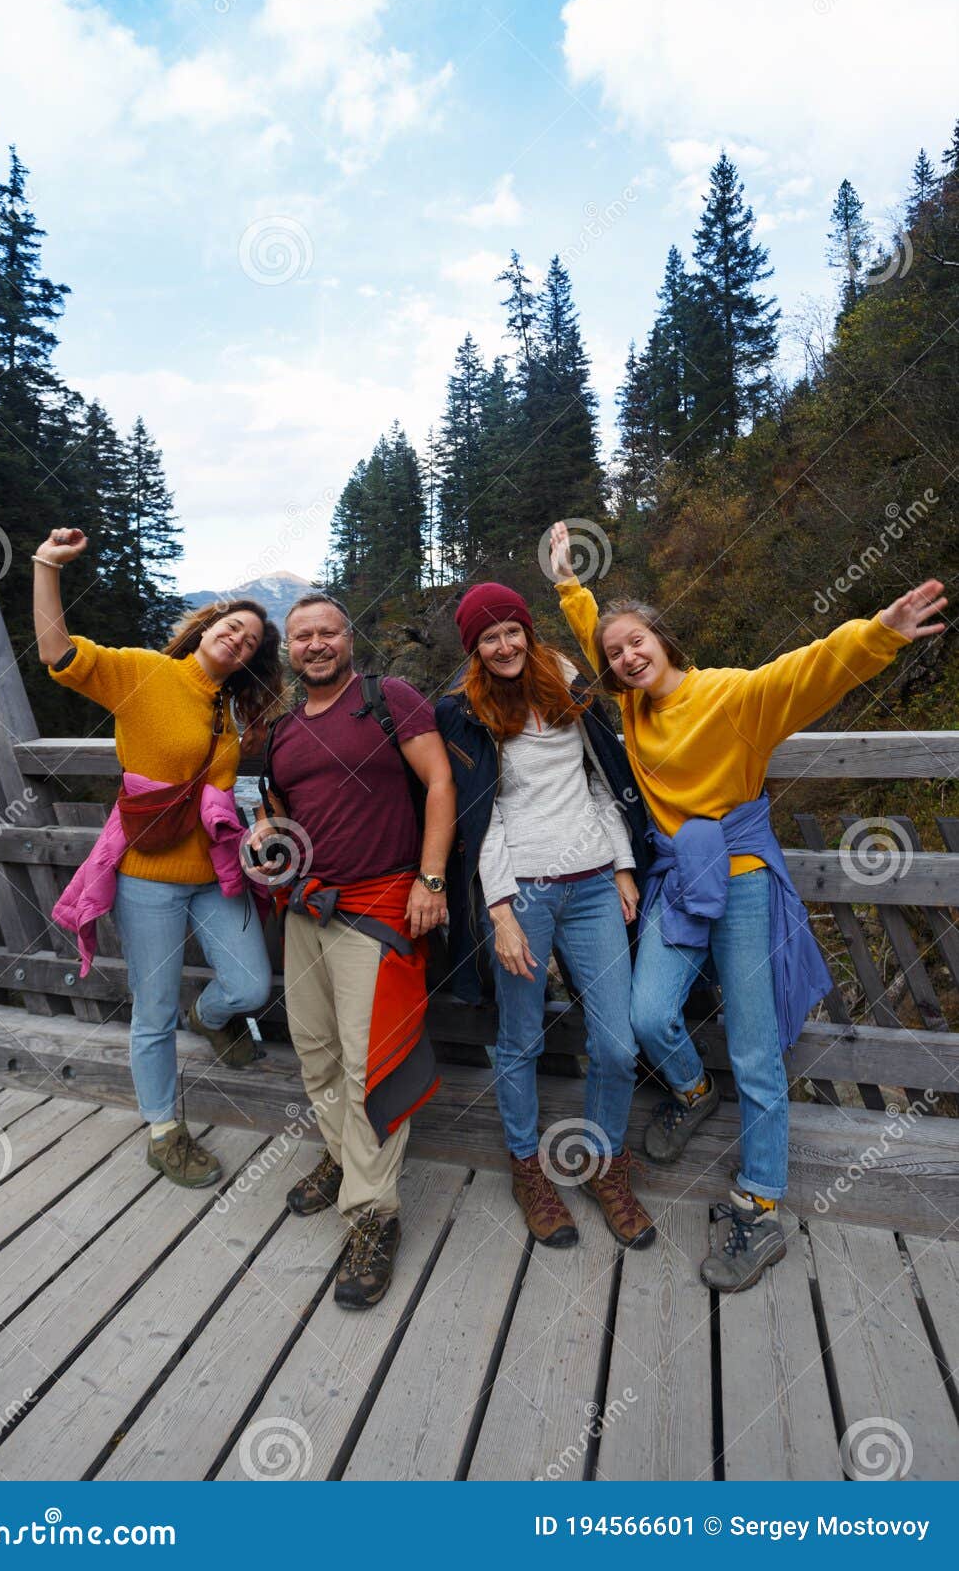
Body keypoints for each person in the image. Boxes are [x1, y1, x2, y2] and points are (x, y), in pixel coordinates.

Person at [549, 520, 946, 1291]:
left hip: (738, 879)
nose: (627, 656)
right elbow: (594, 627)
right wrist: (569, 585)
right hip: (676, 880)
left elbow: (806, 672)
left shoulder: (729, 694)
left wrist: (880, 634)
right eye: (617, 653)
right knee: (644, 1015)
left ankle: (758, 1204)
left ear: (665, 641)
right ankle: (693, 1091)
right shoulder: (631, 709)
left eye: (640, 644)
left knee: (757, 1050)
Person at [33, 525, 282, 1189]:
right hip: (148, 877)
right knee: (152, 1009)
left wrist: (255, 826)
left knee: (252, 986)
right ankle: (162, 1130)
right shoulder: (144, 673)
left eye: (252, 641)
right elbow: (57, 655)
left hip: (215, 873)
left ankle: (216, 1015)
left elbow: (226, 789)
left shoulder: (230, 713)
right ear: (205, 629)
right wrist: (45, 566)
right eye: (232, 628)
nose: (239, 640)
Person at [250, 594, 455, 1309]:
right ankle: (341, 1160)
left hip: (379, 904)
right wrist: (263, 831)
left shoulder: (386, 699)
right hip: (306, 907)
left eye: (327, 632)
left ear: (348, 638)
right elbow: (276, 806)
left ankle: (373, 1216)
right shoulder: (279, 733)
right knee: (315, 1050)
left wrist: (430, 878)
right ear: (289, 649)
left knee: (374, 1060)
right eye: (301, 635)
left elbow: (438, 782)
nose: (315, 644)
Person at [437, 582, 656, 1251]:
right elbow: (483, 817)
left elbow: (597, 780)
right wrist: (499, 912)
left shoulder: (567, 684)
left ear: (527, 632)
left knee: (617, 1044)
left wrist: (621, 864)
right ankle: (527, 1169)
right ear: (473, 648)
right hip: (524, 891)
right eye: (487, 637)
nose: (502, 645)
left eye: (511, 630)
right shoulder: (465, 710)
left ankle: (602, 1165)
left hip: (591, 885)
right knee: (521, 1040)